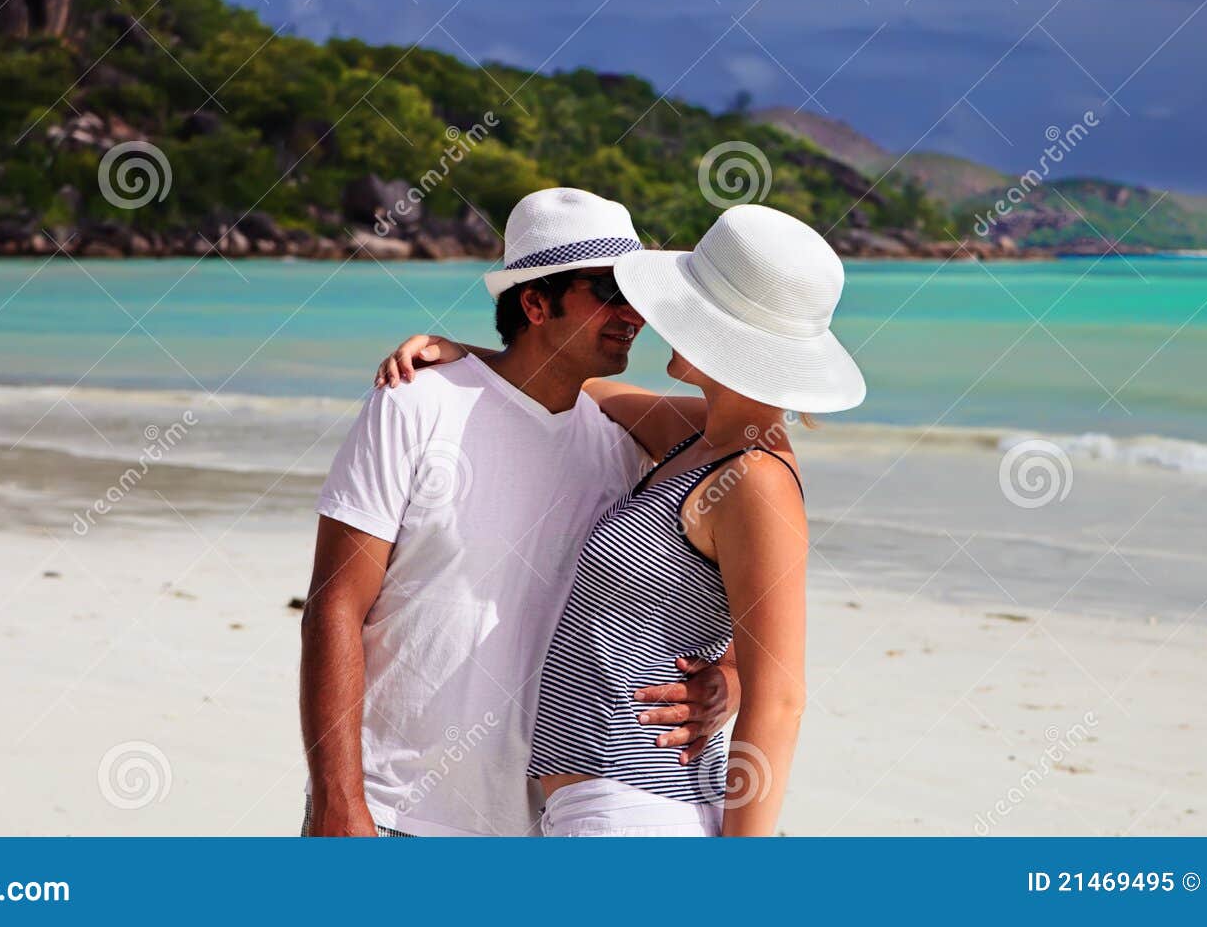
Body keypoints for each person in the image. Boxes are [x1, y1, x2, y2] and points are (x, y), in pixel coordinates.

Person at [378, 204, 867, 835]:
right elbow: (568, 384)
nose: (648, 318)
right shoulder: (701, 437)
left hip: (639, 813)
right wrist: (467, 356)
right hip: (591, 813)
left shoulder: (757, 477)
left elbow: (780, 701)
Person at [298, 187, 739, 837]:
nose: (632, 314)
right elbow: (335, 605)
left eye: (636, 294)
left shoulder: (621, 450)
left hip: (538, 828)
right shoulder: (415, 402)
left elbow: (751, 438)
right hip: (386, 809)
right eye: (608, 292)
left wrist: (728, 680)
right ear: (535, 302)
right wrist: (340, 803)